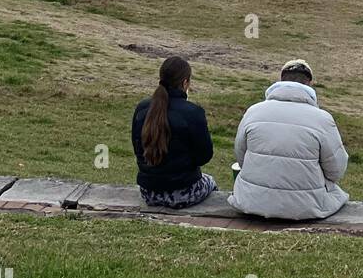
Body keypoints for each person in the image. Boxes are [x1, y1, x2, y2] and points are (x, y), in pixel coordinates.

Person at [228, 58, 348, 221]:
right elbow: (336, 169)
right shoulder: (322, 119)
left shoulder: (253, 111)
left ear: (281, 80)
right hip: (306, 207)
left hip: (250, 202)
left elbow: (241, 158)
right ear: (309, 84)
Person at [131, 56, 217, 210]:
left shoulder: (142, 109)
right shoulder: (193, 113)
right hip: (183, 191)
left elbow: (138, 150)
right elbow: (205, 156)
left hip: (149, 192)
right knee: (210, 181)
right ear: (185, 83)